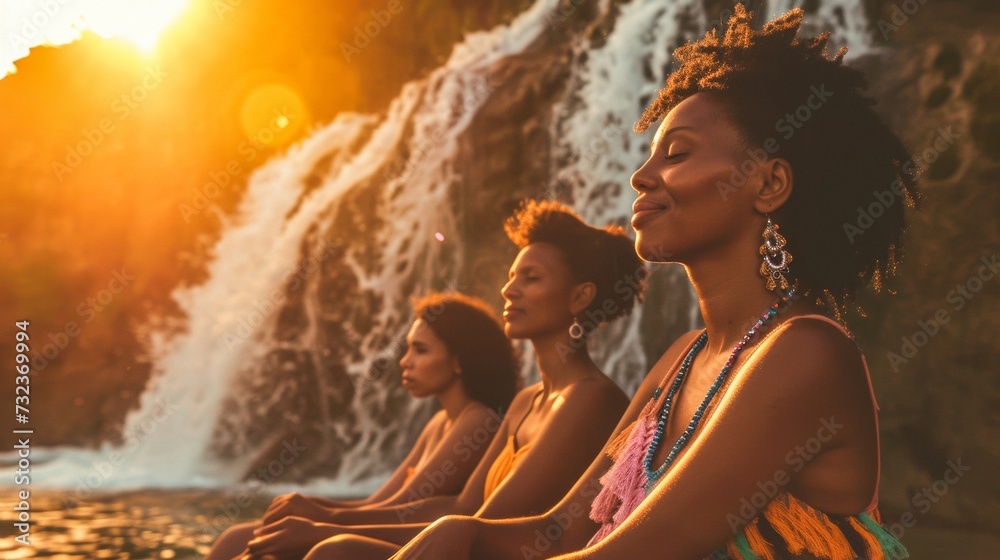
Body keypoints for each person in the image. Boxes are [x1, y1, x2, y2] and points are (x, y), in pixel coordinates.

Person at [391, 5, 917, 559]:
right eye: (648, 157)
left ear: (769, 183)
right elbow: (560, 533)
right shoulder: (681, 359)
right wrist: (462, 532)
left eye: (678, 153)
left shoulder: (807, 351)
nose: (641, 178)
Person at [243, 200, 647, 559]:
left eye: (531, 278)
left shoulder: (589, 398)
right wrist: (323, 514)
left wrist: (328, 527)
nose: (509, 290)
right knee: (253, 541)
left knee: (336, 551)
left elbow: (487, 522)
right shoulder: (526, 401)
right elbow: (459, 505)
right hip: (463, 546)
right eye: (510, 275)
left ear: (580, 297)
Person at [204, 292, 520, 560]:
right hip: (396, 530)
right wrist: (313, 507)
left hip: (421, 542)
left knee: (301, 545)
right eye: (408, 348)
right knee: (237, 537)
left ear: (458, 361)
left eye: (420, 350)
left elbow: (407, 508)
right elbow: (379, 503)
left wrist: (323, 519)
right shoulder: (439, 422)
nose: (404, 361)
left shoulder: (479, 420)